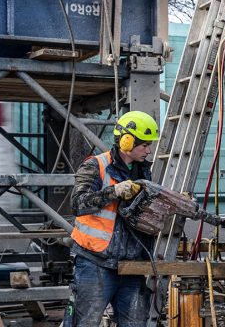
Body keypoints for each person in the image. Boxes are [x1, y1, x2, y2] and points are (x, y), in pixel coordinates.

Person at [66, 110, 160, 327]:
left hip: (132, 265)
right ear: (127, 141)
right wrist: (113, 192)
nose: (149, 150)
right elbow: (78, 204)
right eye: (144, 145)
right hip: (95, 262)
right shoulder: (95, 166)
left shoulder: (143, 171)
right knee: (86, 323)